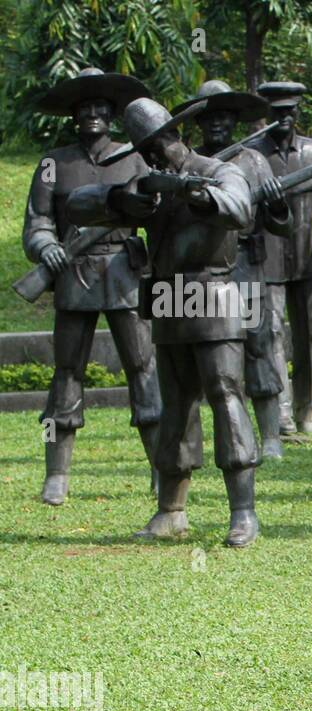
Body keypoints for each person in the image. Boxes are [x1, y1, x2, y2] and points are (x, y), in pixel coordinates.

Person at [67, 97, 258, 546]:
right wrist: (122, 197)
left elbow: (241, 209)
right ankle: (171, 509)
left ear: (178, 136)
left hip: (215, 294)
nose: (155, 155)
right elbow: (77, 205)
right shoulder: (146, 185)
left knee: (227, 395)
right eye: (146, 150)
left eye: (161, 145)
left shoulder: (217, 169)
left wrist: (193, 191)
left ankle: (243, 512)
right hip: (169, 297)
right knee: (175, 405)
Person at [24, 67, 159, 506]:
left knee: (144, 369)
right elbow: (37, 222)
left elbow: (158, 215)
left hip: (123, 270)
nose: (92, 114)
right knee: (66, 372)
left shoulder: (136, 157)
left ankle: (162, 468)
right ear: (72, 114)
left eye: (100, 106)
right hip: (73, 271)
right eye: (83, 107)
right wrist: (46, 247)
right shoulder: (54, 163)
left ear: (113, 112)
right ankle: (56, 474)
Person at [177, 80, 294, 460]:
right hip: (199, 270)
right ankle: (192, 443)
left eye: (224, 116)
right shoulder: (187, 162)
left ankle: (271, 435)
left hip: (245, 264)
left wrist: (277, 206)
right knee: (196, 357)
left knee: (259, 345)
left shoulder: (252, 161)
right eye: (209, 117)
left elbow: (281, 225)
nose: (217, 124)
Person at [252, 81, 312, 437]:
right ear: (267, 114)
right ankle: (279, 414)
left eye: (290, 111)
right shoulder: (252, 156)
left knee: (308, 338)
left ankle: (308, 410)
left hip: (306, 260)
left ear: (298, 112)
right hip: (266, 263)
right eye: (277, 112)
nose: (284, 118)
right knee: (270, 335)